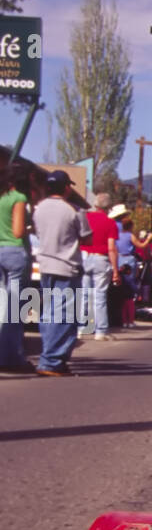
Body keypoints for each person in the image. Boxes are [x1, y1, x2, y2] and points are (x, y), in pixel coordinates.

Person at [33, 170, 91, 376]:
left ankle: (50, 356)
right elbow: (87, 238)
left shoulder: (38, 209)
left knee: (48, 312)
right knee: (65, 315)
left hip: (45, 266)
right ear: (66, 187)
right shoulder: (74, 210)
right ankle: (52, 360)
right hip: (67, 267)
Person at [0, 159, 35, 373]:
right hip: (14, 251)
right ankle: (11, 357)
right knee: (14, 309)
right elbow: (18, 231)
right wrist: (30, 227)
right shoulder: (18, 198)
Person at [80, 192, 121, 340]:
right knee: (100, 296)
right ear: (109, 208)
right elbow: (111, 248)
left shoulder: (86, 218)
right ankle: (100, 331)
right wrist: (116, 270)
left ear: (95, 205)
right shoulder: (111, 223)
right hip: (101, 259)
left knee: (83, 294)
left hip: (84, 257)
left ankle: (81, 328)